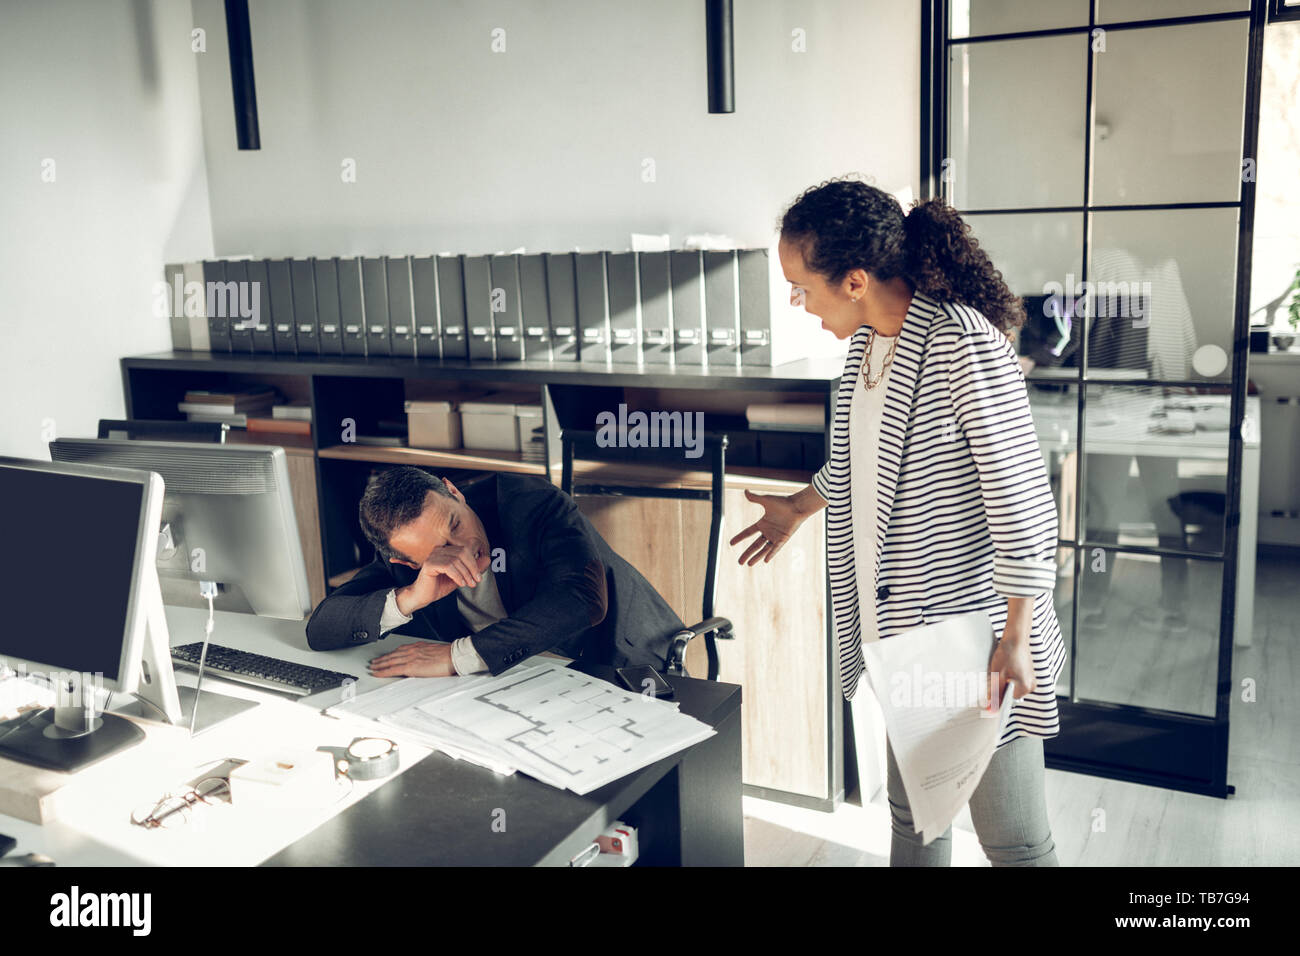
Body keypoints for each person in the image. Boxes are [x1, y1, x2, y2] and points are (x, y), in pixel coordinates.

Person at [730, 177, 1065, 866]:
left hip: (973, 645)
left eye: (802, 286)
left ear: (854, 280)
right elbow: (860, 464)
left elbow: (1022, 500)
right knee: (916, 825)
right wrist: (799, 506)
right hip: (902, 639)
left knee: (1017, 846)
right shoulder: (864, 349)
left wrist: (1018, 636)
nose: (798, 302)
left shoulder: (963, 345)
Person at [305, 467, 684, 678]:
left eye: (455, 524)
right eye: (440, 551)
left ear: (454, 492)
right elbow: (321, 628)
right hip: (518, 676)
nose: (465, 547)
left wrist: (457, 657)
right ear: (408, 562)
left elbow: (582, 600)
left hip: (625, 658)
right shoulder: (403, 559)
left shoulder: (530, 503)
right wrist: (411, 598)